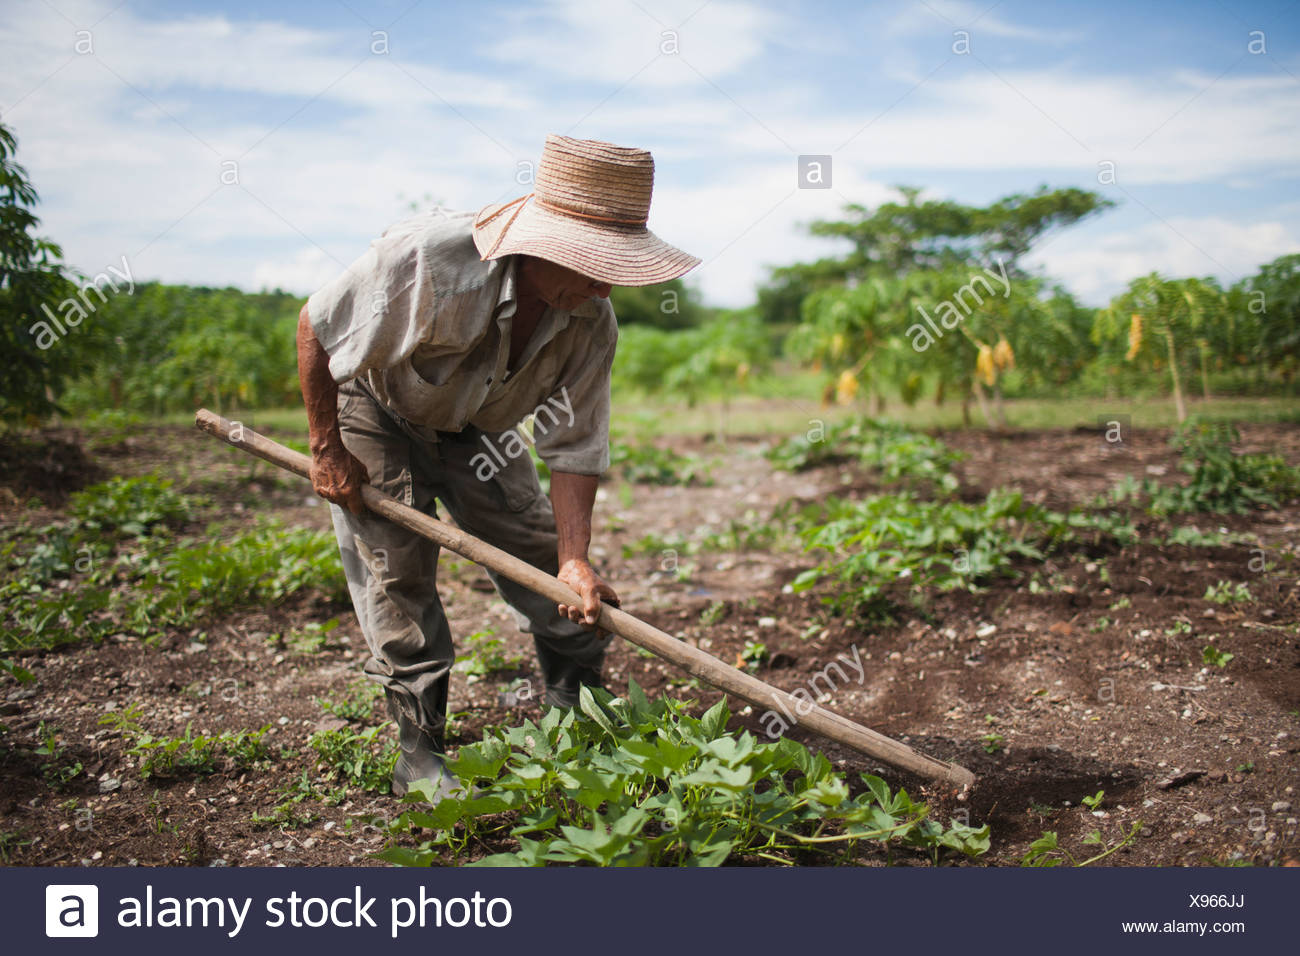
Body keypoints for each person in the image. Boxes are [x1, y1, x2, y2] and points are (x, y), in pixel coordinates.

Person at [296, 134, 700, 798]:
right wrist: (326, 449)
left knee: (551, 571)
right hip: (378, 409)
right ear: (540, 242)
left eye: (615, 267)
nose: (604, 283)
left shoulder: (591, 321)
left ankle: (575, 709)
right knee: (396, 573)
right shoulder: (428, 257)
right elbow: (317, 325)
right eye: (592, 262)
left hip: (481, 432)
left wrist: (576, 557)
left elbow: (574, 444)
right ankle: (418, 757)